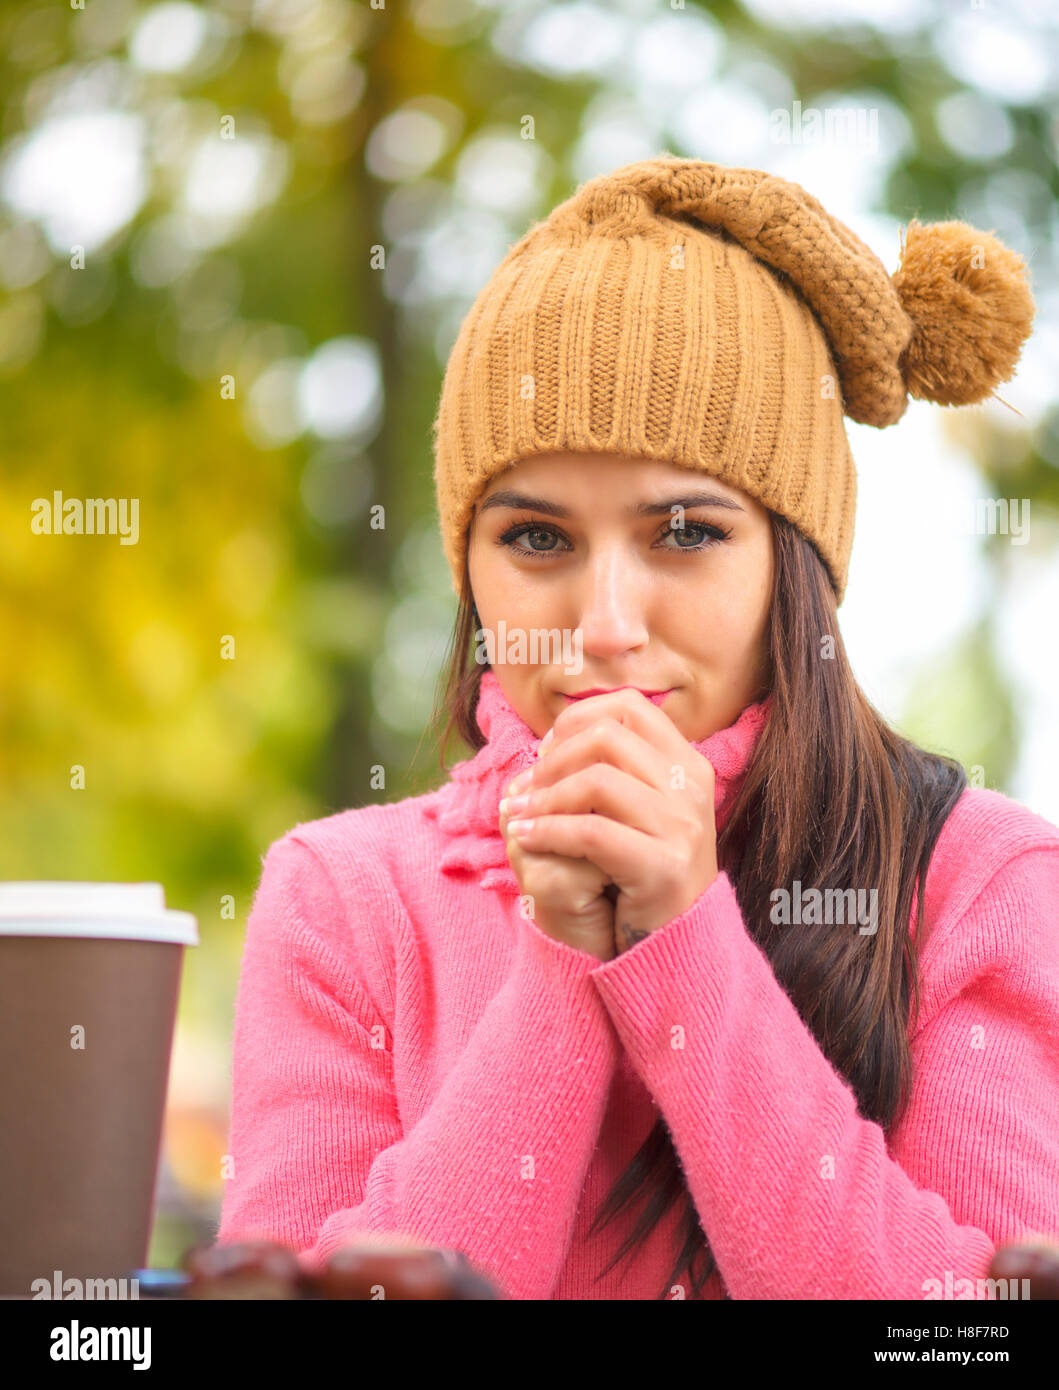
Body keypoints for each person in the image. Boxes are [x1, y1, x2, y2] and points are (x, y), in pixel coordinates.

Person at [216, 155, 1059, 1300]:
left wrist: (682, 943)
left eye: (685, 531)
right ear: (469, 567)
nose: (605, 629)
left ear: (795, 565)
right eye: (538, 539)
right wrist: (564, 959)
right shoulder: (345, 897)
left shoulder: (978, 880)